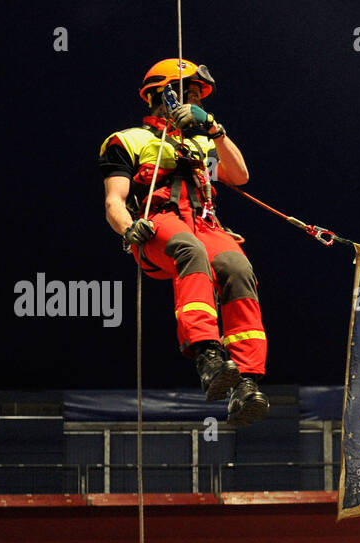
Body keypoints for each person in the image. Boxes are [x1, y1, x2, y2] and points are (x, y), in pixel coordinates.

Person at [100, 58, 269, 426]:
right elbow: (114, 200)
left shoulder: (204, 141)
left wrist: (215, 130)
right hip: (159, 223)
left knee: (238, 267)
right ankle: (207, 354)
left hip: (206, 225)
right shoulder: (129, 140)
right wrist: (129, 228)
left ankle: (245, 381)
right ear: (166, 93)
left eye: (198, 95)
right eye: (190, 92)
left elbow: (239, 175)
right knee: (189, 250)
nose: (197, 100)